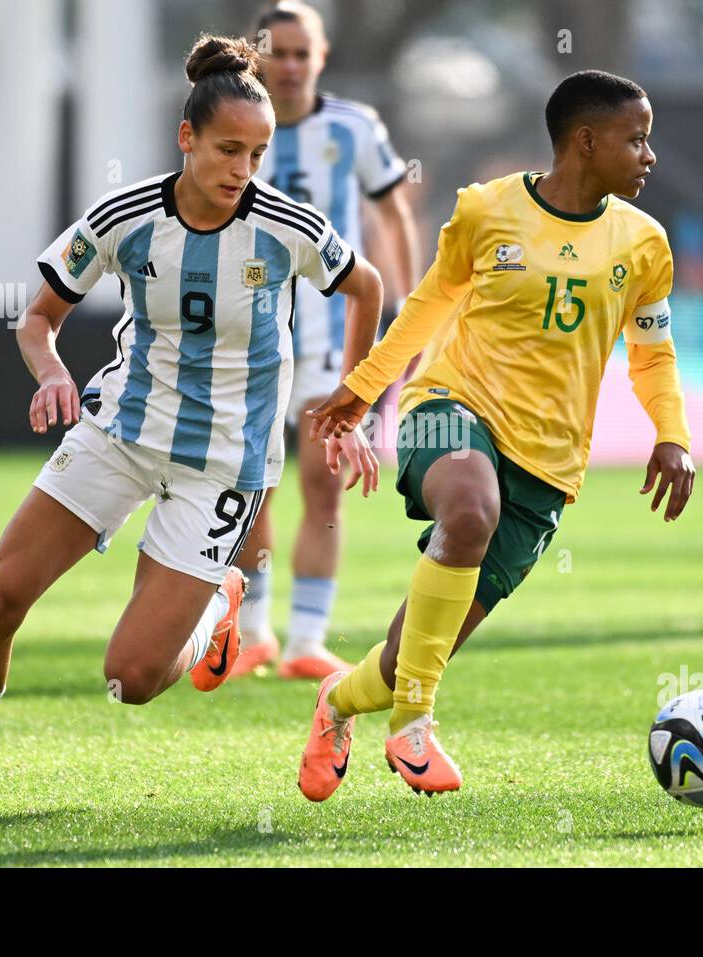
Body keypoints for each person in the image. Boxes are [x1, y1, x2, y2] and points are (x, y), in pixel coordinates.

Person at [0, 33, 381, 809]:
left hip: (224, 463)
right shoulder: (126, 216)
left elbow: (368, 286)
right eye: (227, 150)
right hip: (119, 433)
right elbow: (36, 319)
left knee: (132, 679)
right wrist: (52, 371)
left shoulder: (284, 225)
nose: (241, 171)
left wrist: (352, 401)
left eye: (257, 154)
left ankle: (221, 597)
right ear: (186, 137)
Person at [295, 70, 695, 800]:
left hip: (548, 462)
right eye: (636, 139)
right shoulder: (487, 210)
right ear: (586, 140)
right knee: (469, 510)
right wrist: (364, 385)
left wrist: (672, 433)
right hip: (452, 403)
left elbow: (653, 353)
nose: (649, 155)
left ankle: (340, 702)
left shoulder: (644, 244)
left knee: (415, 648)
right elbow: (425, 306)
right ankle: (414, 722)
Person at [229, 1, 420, 680]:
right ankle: (253, 629)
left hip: (333, 328)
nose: (287, 65)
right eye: (275, 52)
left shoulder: (354, 127)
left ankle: (306, 639)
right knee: (250, 484)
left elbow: (394, 214)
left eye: (299, 52)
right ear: (255, 56)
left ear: (322, 56)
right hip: (247, 332)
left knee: (324, 481)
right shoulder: (237, 120)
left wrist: (407, 309)